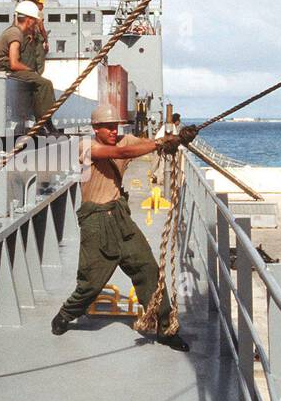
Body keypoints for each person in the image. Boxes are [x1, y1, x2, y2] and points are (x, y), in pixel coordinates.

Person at [51, 103, 198, 351]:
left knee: (148, 269)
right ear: (95, 128)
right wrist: (161, 143)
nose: (112, 131)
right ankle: (66, 314)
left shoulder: (124, 139)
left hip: (120, 216)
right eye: (107, 127)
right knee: (91, 284)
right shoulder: (86, 146)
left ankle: (166, 328)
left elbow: (143, 144)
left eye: (115, 126)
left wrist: (176, 139)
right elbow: (121, 154)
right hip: (96, 222)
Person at [0, 0, 57, 130]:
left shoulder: (18, 32)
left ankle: (43, 122)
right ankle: (44, 123)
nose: (36, 23)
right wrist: (30, 71)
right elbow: (14, 63)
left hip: (8, 69)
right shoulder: (15, 33)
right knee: (45, 84)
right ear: (28, 20)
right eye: (34, 20)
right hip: (6, 69)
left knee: (37, 84)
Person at [150, 112, 182, 186]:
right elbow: (173, 138)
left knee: (156, 163)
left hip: (159, 144)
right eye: (179, 120)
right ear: (176, 121)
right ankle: (160, 180)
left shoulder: (167, 126)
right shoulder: (172, 127)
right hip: (162, 145)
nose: (179, 122)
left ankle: (154, 175)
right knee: (162, 164)